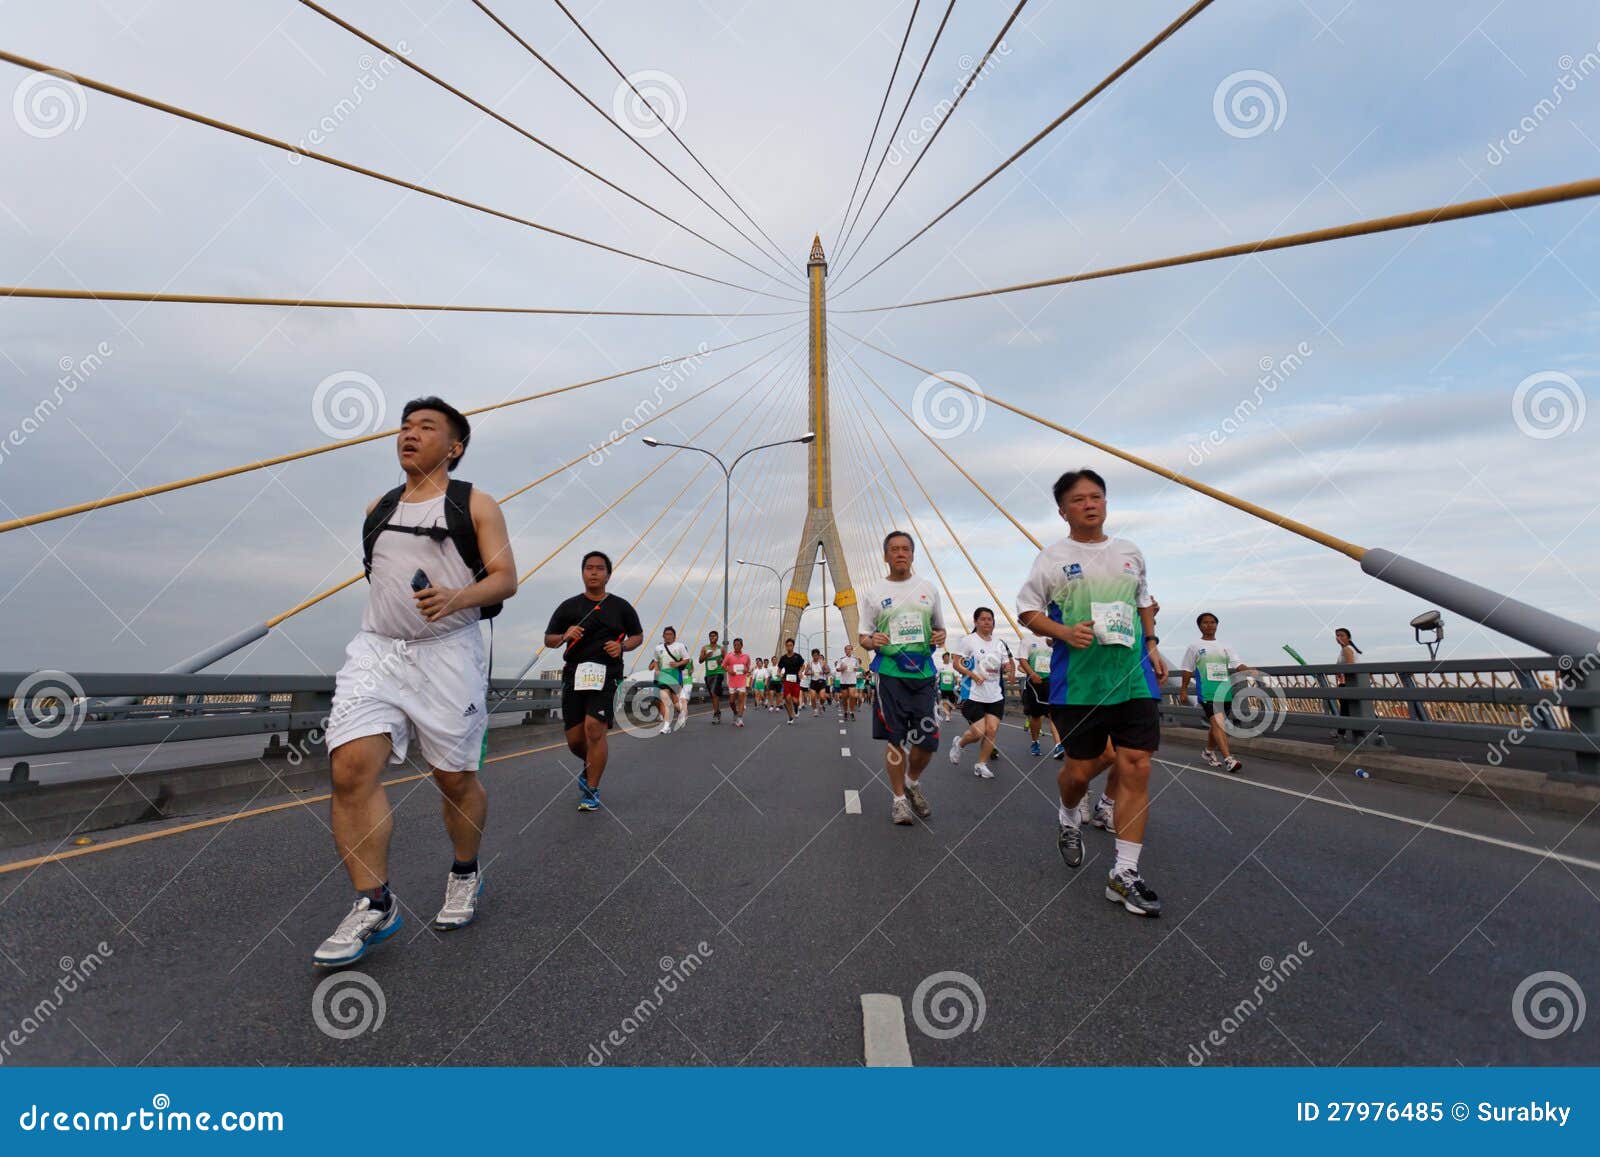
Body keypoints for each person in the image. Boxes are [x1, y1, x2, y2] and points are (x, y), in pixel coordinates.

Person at [314, 397, 517, 968]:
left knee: (453, 780)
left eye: (426, 428)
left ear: (453, 447)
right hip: (378, 651)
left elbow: (505, 579)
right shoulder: (377, 507)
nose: (410, 435)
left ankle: (464, 870)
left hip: (448, 653)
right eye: (405, 427)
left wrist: (456, 597)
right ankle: (374, 903)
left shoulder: (475, 504)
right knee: (349, 769)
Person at [1017, 468, 1166, 918]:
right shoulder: (1051, 558)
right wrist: (1062, 630)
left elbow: (1143, 602)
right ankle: (1068, 815)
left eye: (1097, 496)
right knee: (1079, 772)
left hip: (1133, 677)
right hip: (1078, 683)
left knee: (1136, 766)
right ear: (1063, 510)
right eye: (1079, 499)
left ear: (1106, 502)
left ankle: (1124, 873)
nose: (1090, 504)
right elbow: (1027, 611)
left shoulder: (1130, 552)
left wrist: (1153, 644)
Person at [544, 551, 644, 811]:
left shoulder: (621, 607)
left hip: (607, 673)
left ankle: (592, 789)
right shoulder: (569, 607)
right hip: (575, 674)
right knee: (575, 739)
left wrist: (622, 647)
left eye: (600, 568)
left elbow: (637, 636)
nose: (594, 572)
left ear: (608, 575)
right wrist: (565, 634)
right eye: (589, 568)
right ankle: (590, 763)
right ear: (582, 572)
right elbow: (549, 640)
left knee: (594, 730)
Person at [859, 530, 947, 825]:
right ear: (885, 556)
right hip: (890, 674)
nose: (900, 553)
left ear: (912, 554)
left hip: (923, 673)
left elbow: (940, 630)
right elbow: (863, 636)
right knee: (895, 738)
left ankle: (911, 782)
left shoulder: (928, 589)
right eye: (894, 549)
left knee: (927, 741)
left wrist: (941, 635)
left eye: (905, 549)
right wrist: (873, 641)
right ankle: (899, 800)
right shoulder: (874, 592)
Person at [947, 608, 1013, 780]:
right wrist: (973, 675)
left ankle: (981, 764)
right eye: (983, 619)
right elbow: (956, 663)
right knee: (978, 733)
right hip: (973, 692)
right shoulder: (968, 641)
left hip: (995, 694)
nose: (986, 622)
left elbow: (1006, 664)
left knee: (991, 730)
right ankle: (959, 743)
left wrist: (1007, 668)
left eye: (990, 619)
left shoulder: (999, 643)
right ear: (976, 622)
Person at [1180, 613, 1247, 773]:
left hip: (1224, 692)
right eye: (1205, 623)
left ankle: (1208, 751)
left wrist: (1251, 670)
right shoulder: (1194, 647)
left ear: (1217, 625)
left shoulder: (1225, 646)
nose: (1209, 625)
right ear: (1199, 626)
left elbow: (1238, 665)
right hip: (1207, 692)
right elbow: (1187, 670)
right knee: (1218, 723)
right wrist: (1183, 690)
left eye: (1212, 622)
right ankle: (1229, 759)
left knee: (1217, 724)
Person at [1020, 635, 1059, 758]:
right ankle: (1035, 742)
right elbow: (1022, 660)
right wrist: (1032, 674)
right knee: (1036, 716)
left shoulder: (1053, 640)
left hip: (1051, 681)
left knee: (1054, 713)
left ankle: (1058, 745)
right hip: (1034, 682)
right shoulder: (1027, 640)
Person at [653, 627, 691, 734]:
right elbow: (655, 660)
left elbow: (686, 659)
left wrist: (677, 664)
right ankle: (666, 726)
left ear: (674, 636)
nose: (668, 636)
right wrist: (656, 670)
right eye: (666, 634)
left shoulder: (680, 646)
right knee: (665, 701)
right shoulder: (658, 648)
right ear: (663, 636)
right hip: (663, 676)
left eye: (670, 634)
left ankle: (683, 713)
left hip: (675, 675)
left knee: (675, 702)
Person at [1333, 627, 1362, 742]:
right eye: (1337, 636)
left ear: (1348, 638)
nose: (1339, 638)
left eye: (1342, 635)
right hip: (1351, 684)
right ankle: (1378, 733)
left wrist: (1341, 674)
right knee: (1351, 708)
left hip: (1349, 684)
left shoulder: (1346, 649)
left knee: (1346, 709)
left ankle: (1341, 734)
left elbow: (1350, 666)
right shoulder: (1345, 649)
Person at [724, 637, 753, 728]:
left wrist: (746, 670)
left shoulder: (746, 657)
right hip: (732, 682)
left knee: (741, 697)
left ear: (741, 645)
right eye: (735, 645)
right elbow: (724, 666)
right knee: (731, 702)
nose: (736, 646)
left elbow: (748, 667)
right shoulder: (729, 656)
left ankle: (740, 719)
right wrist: (729, 671)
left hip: (741, 681)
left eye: (738, 645)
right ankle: (735, 713)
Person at [700, 631, 728, 724]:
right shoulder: (705, 648)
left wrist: (722, 660)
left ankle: (716, 714)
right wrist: (706, 656)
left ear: (717, 637)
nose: (712, 637)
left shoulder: (721, 649)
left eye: (714, 636)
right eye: (711, 636)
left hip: (718, 672)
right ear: (709, 637)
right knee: (713, 695)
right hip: (709, 674)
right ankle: (718, 711)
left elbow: (727, 660)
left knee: (713, 692)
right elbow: (700, 660)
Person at [776, 640, 806, 723]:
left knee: (795, 700)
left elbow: (803, 665)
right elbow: (779, 668)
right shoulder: (783, 658)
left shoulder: (797, 656)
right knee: (787, 698)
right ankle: (790, 717)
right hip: (786, 680)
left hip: (796, 681)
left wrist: (800, 672)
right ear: (785, 647)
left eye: (791, 645)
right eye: (787, 645)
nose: (789, 647)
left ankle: (796, 708)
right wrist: (779, 673)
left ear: (793, 646)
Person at [837, 645, 861, 721]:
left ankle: (851, 712)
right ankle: (845, 712)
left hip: (852, 680)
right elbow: (837, 669)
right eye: (847, 649)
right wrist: (842, 668)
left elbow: (858, 668)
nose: (848, 651)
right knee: (844, 698)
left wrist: (855, 668)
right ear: (845, 650)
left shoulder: (855, 659)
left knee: (852, 696)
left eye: (850, 649)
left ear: (852, 650)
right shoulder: (841, 659)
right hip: (844, 681)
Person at [935, 652, 959, 721]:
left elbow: (956, 676)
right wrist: (936, 684)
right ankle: (947, 715)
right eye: (945, 657)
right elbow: (937, 676)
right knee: (945, 700)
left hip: (951, 687)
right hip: (943, 687)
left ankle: (949, 712)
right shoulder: (940, 666)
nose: (947, 658)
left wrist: (957, 684)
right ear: (943, 658)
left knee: (951, 701)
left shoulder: (952, 666)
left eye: (948, 657)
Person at [807, 648, 829, 716]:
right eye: (814, 655)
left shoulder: (822, 662)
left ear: (819, 655)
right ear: (812, 656)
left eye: (817, 655)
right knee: (813, 697)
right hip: (813, 682)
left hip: (821, 681)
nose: (815, 657)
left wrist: (823, 672)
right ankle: (815, 710)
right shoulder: (809, 663)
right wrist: (811, 673)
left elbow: (827, 671)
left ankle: (821, 705)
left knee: (822, 697)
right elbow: (805, 672)